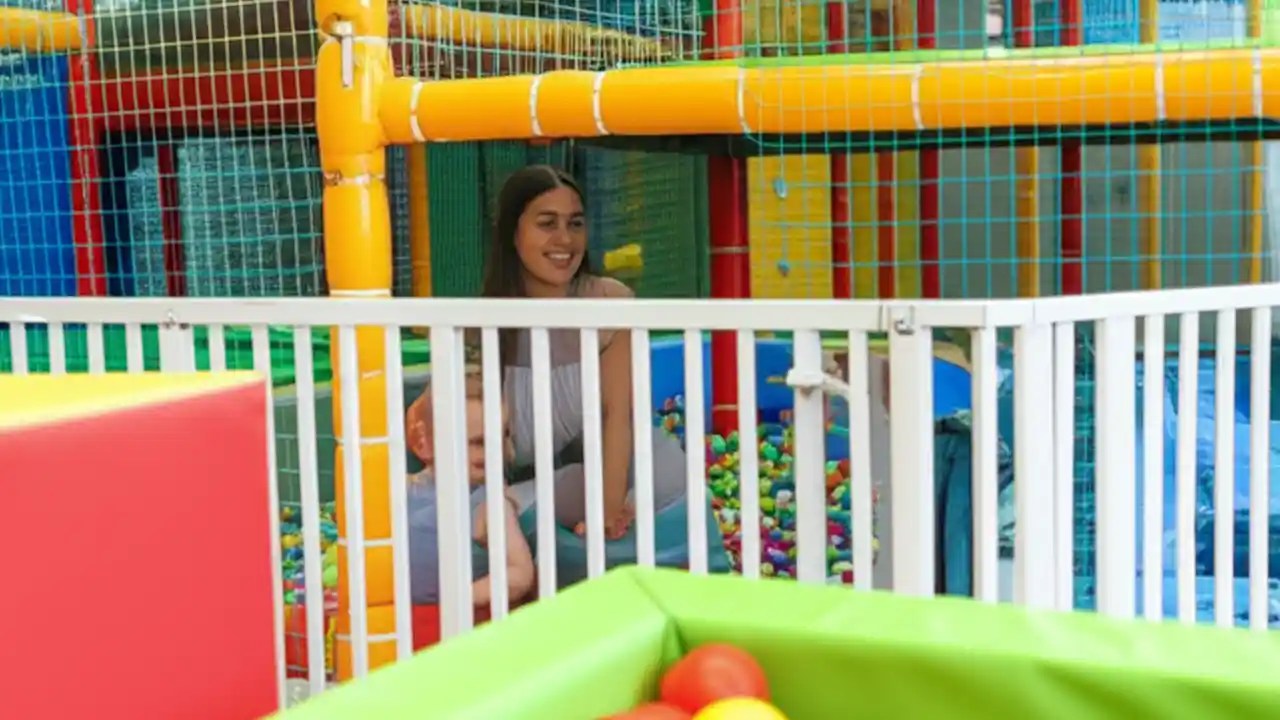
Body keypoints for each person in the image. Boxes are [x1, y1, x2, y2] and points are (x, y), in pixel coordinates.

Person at [408, 164, 688, 541]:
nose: (564, 240)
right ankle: (504, 512)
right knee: (544, 490)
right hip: (512, 480)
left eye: (575, 224)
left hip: (588, 466)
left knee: (665, 464)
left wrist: (605, 511)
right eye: (546, 223)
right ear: (513, 232)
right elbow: (445, 428)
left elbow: (619, 418)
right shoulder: (480, 323)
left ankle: (600, 508)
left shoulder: (610, 303)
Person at [406, 373, 535, 616]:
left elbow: (520, 572)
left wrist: (462, 598)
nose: (496, 451)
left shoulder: (488, 505)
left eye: (502, 437)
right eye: (478, 442)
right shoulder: (403, 489)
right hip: (405, 618)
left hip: (448, 620)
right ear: (425, 444)